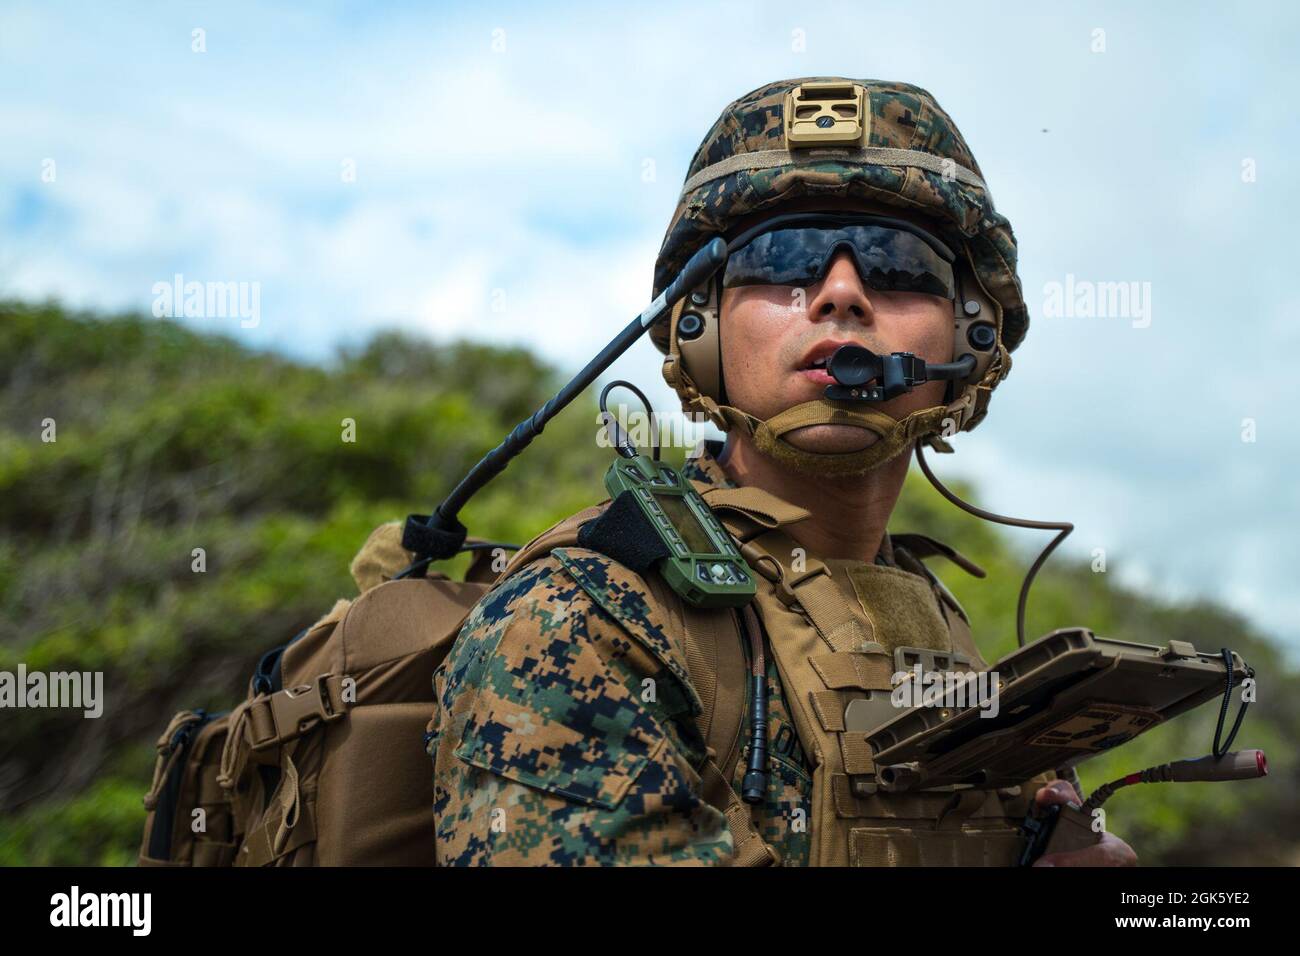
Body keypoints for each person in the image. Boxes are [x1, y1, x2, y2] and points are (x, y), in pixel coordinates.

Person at [425, 76, 1137, 867]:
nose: (839, 294)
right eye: (782, 257)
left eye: (898, 265)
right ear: (698, 326)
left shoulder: (937, 625)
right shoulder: (584, 620)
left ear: (970, 334)